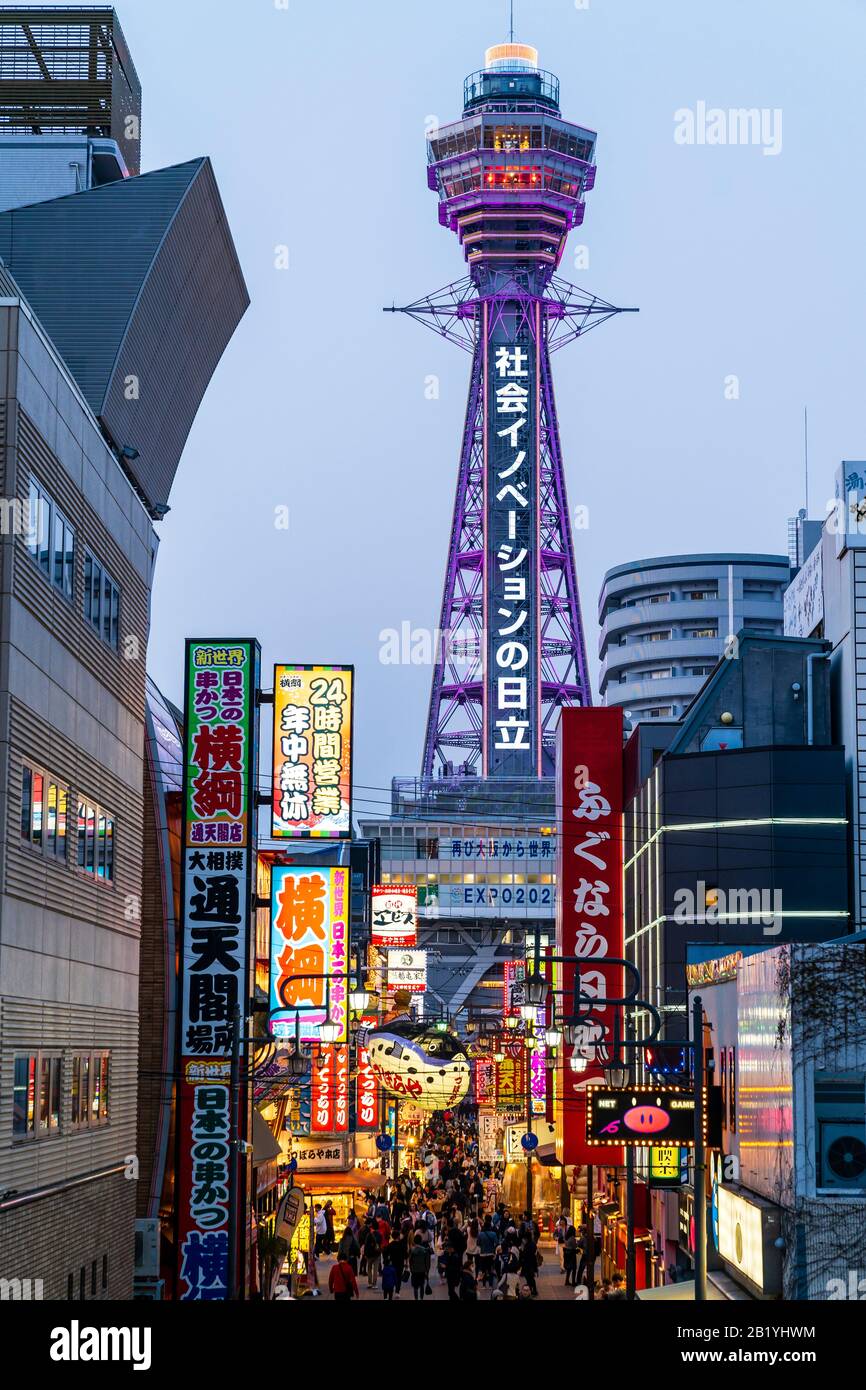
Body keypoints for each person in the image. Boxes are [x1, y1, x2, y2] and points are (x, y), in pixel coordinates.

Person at [409, 1232, 432, 1301]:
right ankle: (421, 1298)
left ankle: (416, 1298)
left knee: (415, 1286)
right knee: (422, 1285)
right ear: (421, 1241)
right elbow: (427, 1262)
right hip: (422, 1270)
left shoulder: (412, 1250)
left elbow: (410, 1261)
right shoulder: (425, 1250)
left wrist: (411, 1268)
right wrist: (427, 1270)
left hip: (414, 1270)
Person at [363, 1223, 382, 1288]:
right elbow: (380, 1243)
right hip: (377, 1254)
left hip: (369, 1254)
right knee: (375, 1270)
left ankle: (370, 1283)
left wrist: (365, 1254)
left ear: (371, 1228)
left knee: (369, 1268)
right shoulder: (379, 1235)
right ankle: (375, 1284)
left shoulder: (369, 1235)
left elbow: (366, 1245)